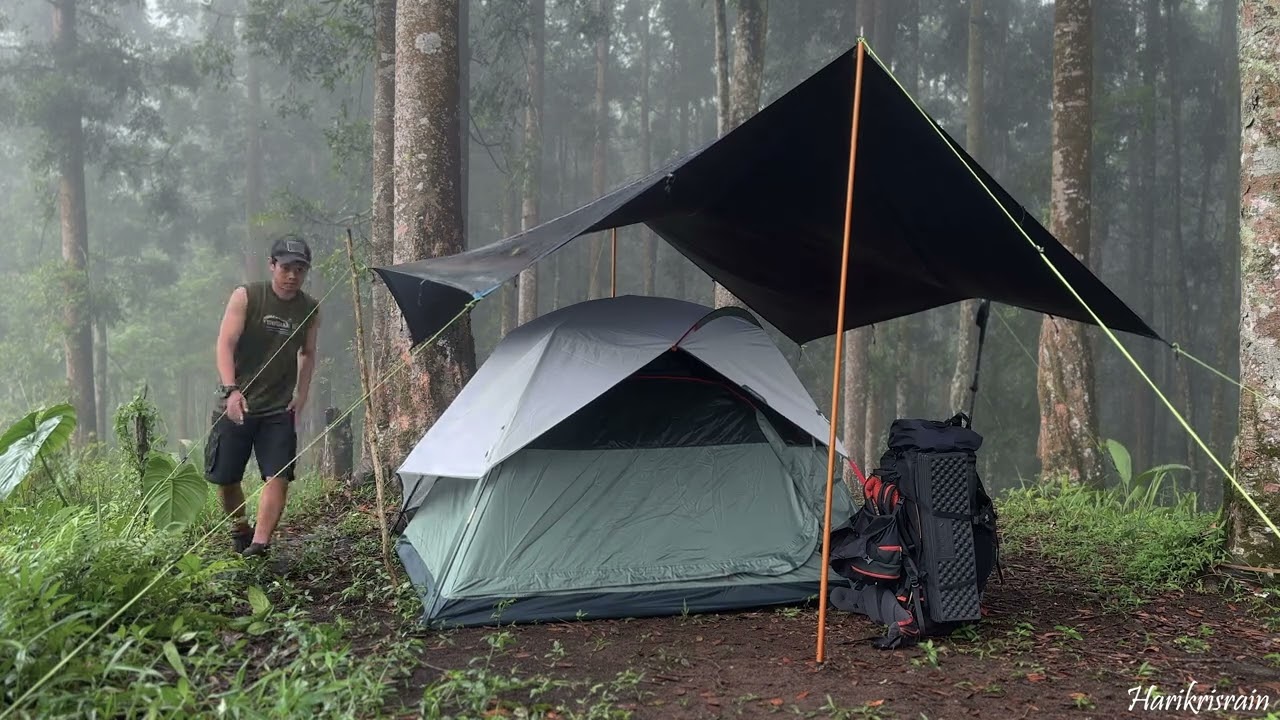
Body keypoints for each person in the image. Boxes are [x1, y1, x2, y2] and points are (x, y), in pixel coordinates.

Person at [206, 235, 321, 557]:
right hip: (237, 402)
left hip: (278, 407)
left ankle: (260, 543)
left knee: (278, 474)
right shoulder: (247, 296)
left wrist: (302, 392)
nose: (292, 276)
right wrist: (231, 391)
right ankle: (240, 529)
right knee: (227, 478)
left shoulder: (310, 309)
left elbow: (308, 353)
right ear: (272, 266)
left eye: (300, 269)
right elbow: (225, 343)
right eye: (286, 267)